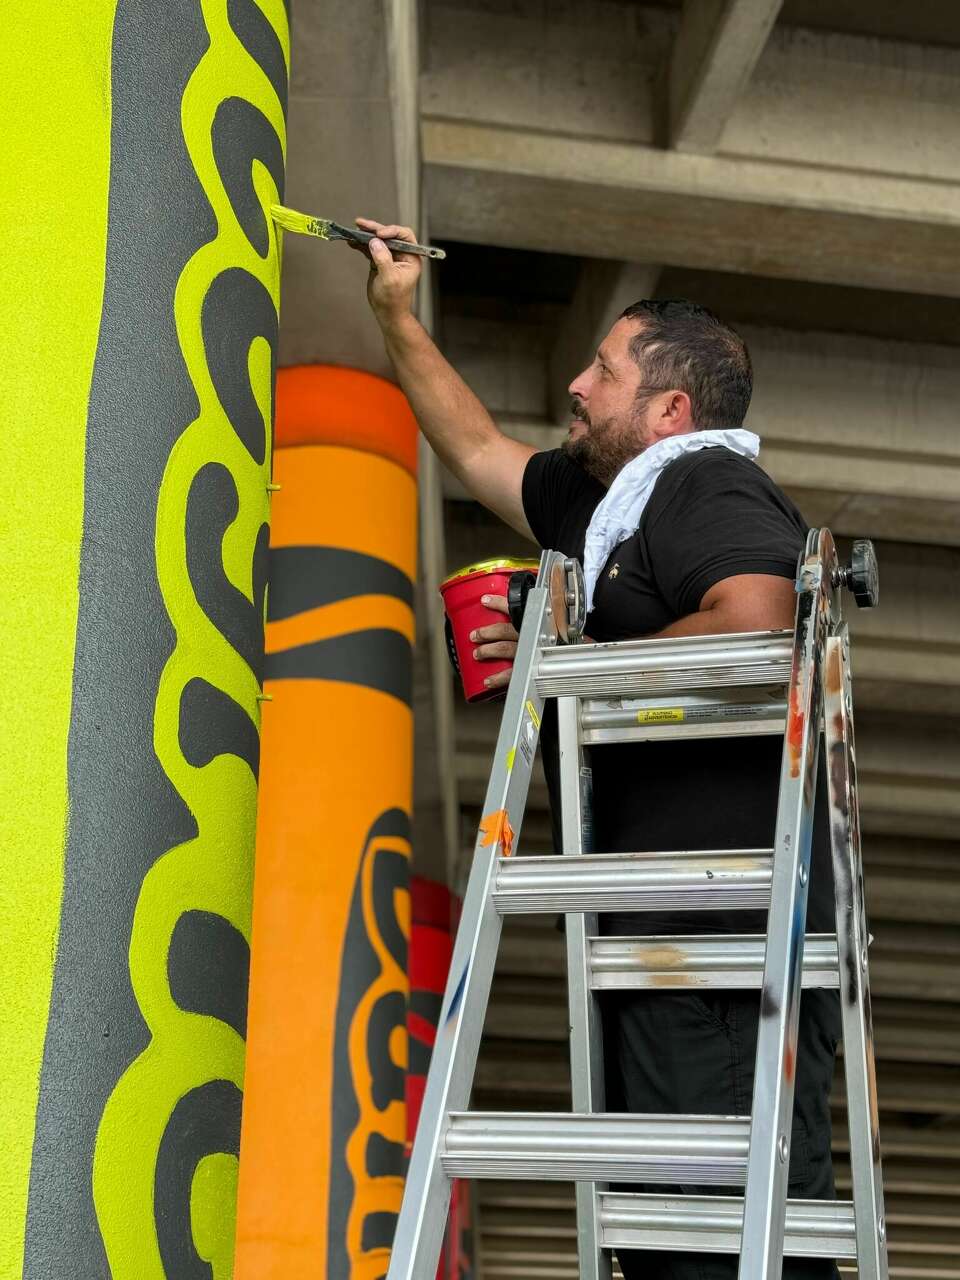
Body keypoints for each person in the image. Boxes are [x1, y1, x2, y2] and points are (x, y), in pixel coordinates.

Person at [350, 218, 841, 1280]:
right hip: (662, 927)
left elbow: (755, 625)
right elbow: (477, 448)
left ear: (670, 409)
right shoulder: (610, 511)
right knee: (668, 1234)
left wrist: (560, 636)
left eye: (602, 370)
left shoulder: (704, 486)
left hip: (722, 935)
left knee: (720, 1237)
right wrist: (397, 313)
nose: (575, 383)